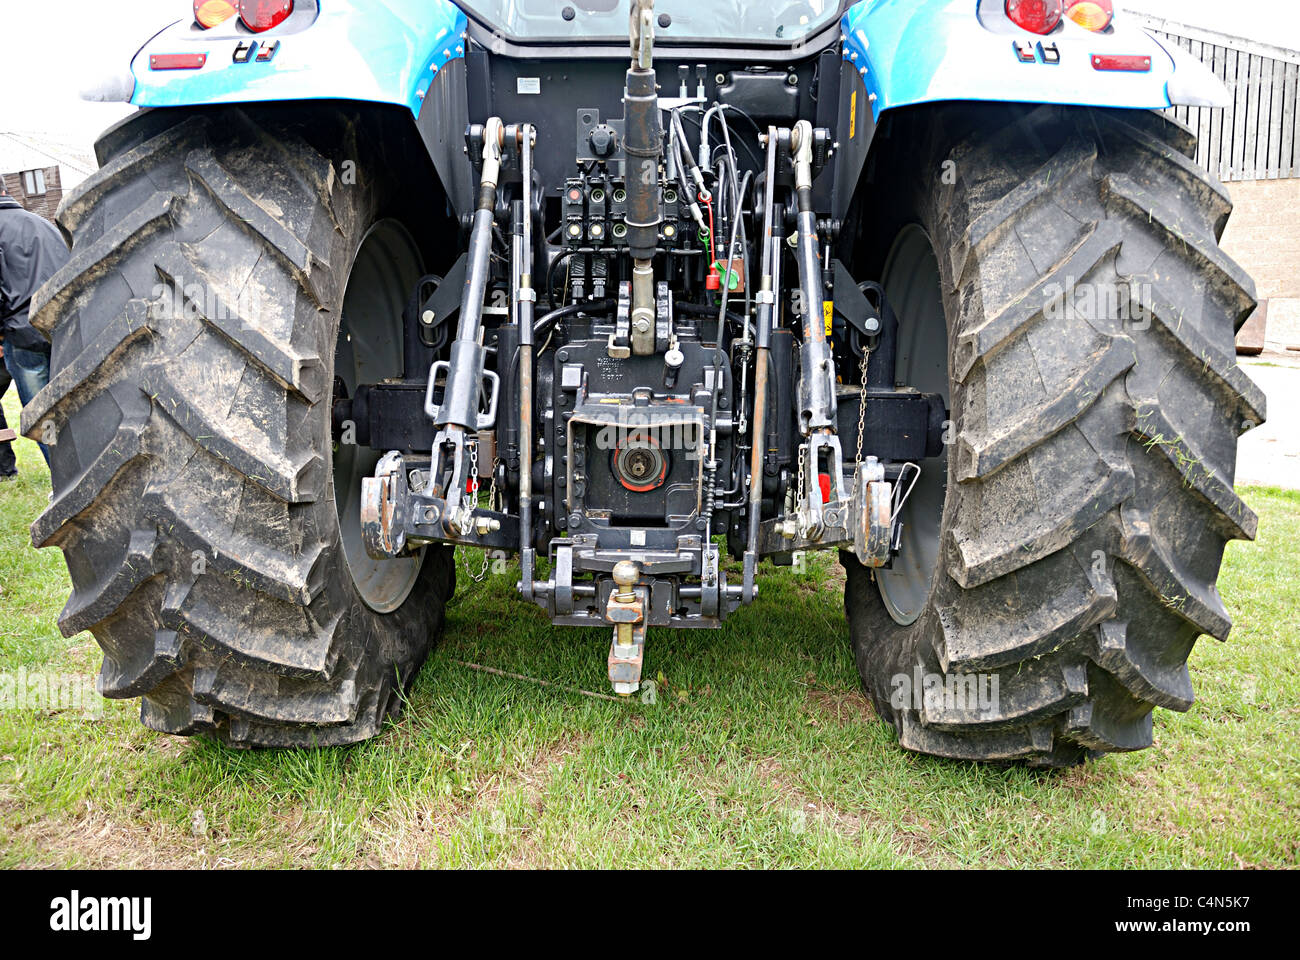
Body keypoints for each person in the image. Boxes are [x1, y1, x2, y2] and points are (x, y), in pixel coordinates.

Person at [0, 181, 69, 466]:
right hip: (64, 330)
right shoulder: (43, 224)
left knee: (43, 416)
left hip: (23, 337)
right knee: (71, 410)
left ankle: (64, 482)